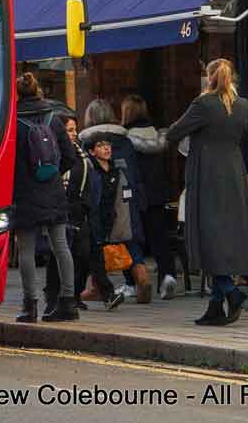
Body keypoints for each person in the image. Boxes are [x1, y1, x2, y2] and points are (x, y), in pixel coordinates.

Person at [168, 58, 248, 326]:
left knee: (206, 236)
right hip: (233, 174)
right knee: (224, 237)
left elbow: (174, 132)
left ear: (209, 78)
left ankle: (232, 293)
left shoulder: (203, 104)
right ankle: (216, 307)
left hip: (207, 175)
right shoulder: (243, 105)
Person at [10, 73, 79, 323]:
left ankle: (31, 307)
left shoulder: (12, 122)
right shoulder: (53, 118)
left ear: (16, 94)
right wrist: (51, 176)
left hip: (24, 193)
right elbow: (70, 156)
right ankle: (68, 303)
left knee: (26, 250)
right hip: (52, 191)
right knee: (60, 246)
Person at [78, 98, 150, 301]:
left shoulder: (88, 142)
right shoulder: (124, 140)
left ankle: (97, 287)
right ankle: (142, 277)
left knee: (97, 240)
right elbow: (135, 170)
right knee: (128, 236)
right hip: (127, 193)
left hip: (102, 195)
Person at [123, 94, 178, 301]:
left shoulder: (126, 138)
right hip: (158, 193)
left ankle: (133, 282)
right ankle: (168, 276)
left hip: (137, 194)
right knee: (160, 238)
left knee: (131, 238)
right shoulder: (156, 134)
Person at [46, 117, 103, 316]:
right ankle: (55, 297)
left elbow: (89, 182)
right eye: (69, 130)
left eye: (74, 129)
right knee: (59, 255)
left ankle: (73, 295)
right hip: (61, 209)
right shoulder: (55, 153)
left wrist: (86, 205)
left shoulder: (81, 155)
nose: (73, 134)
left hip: (80, 210)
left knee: (82, 254)